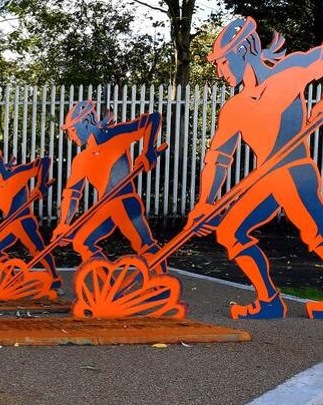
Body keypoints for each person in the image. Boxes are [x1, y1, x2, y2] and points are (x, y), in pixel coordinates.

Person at [187, 16, 323, 318]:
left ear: (240, 51)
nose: (219, 71)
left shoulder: (290, 73)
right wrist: (206, 203)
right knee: (230, 231)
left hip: (293, 171)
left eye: (221, 62)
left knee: (318, 236)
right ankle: (269, 301)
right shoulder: (235, 108)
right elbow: (218, 158)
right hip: (266, 178)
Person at [51, 100, 163, 264]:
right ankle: (105, 284)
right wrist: (63, 224)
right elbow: (71, 194)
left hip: (125, 203)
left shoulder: (116, 134)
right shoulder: (81, 160)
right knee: (82, 242)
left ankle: (162, 284)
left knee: (146, 247)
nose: (71, 136)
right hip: (106, 208)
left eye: (73, 130)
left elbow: (153, 119)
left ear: (87, 122)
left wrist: (148, 150)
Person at [0, 149, 58, 287]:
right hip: (11, 225)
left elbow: (44, 161)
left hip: (24, 221)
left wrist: (40, 184)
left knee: (38, 250)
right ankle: (15, 280)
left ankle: (55, 280)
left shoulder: (18, 173)